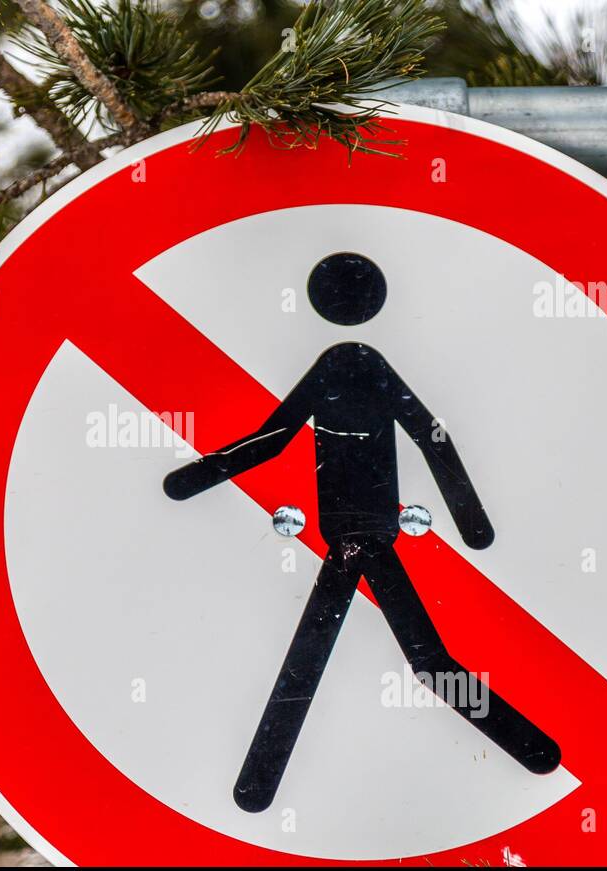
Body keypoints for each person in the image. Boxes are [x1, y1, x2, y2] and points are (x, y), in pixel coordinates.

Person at [164, 253, 561, 813]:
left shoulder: (344, 365)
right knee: (420, 660)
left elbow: (273, 440)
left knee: (322, 659)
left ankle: (257, 786)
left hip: (358, 535)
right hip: (360, 534)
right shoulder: (361, 364)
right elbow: (430, 436)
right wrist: (473, 525)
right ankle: (533, 750)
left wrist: (193, 479)